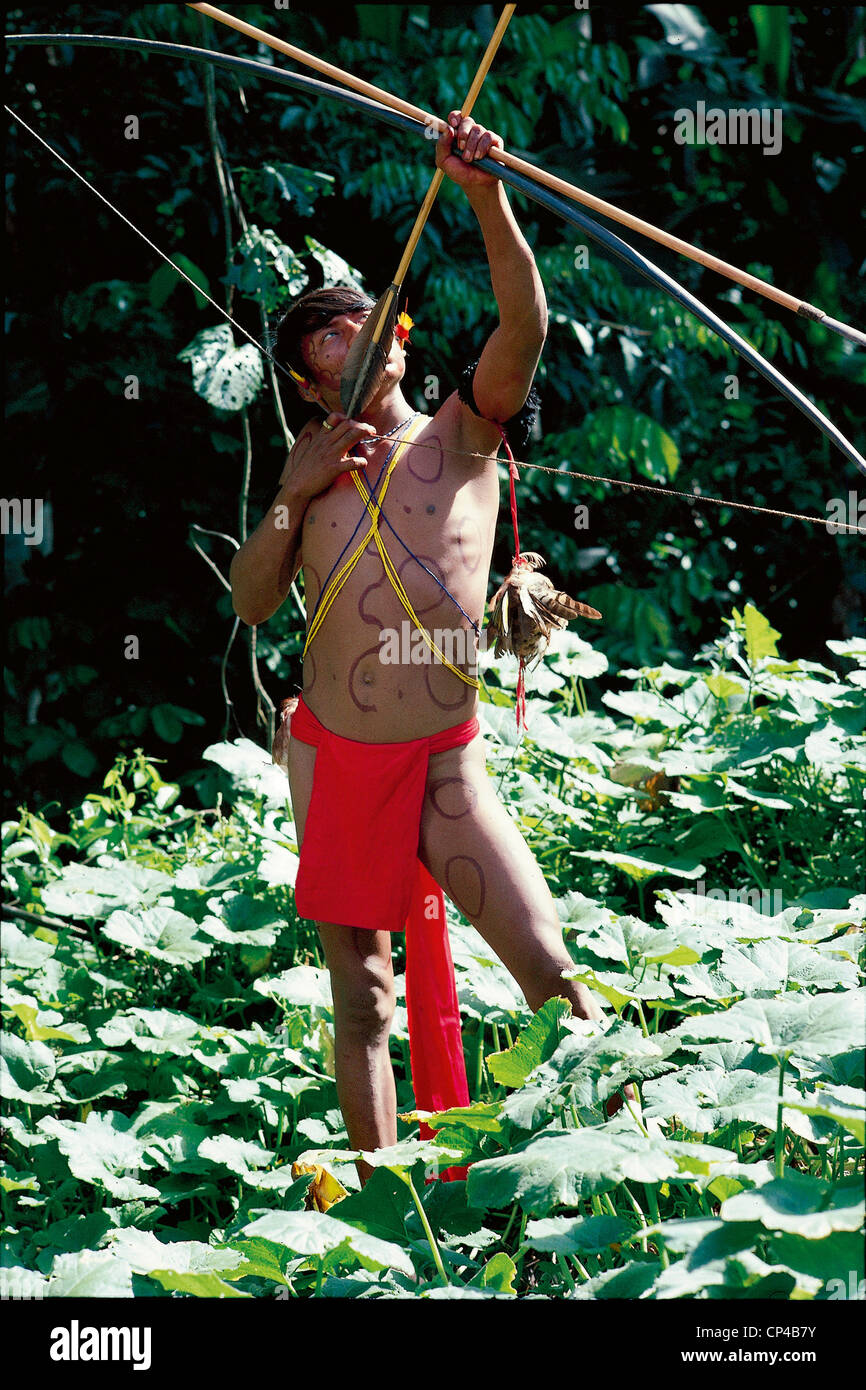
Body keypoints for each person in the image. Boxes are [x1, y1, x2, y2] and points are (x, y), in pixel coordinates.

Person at [231, 112, 628, 1184]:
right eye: (325, 336)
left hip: (442, 762)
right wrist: (289, 491)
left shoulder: (460, 433)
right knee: (359, 995)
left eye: (366, 321)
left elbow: (525, 326)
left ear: (397, 339)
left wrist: (480, 191)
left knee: (548, 968)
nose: (354, 337)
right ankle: (382, 1208)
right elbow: (254, 602)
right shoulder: (304, 473)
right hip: (332, 756)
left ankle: (631, 1163)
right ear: (307, 380)